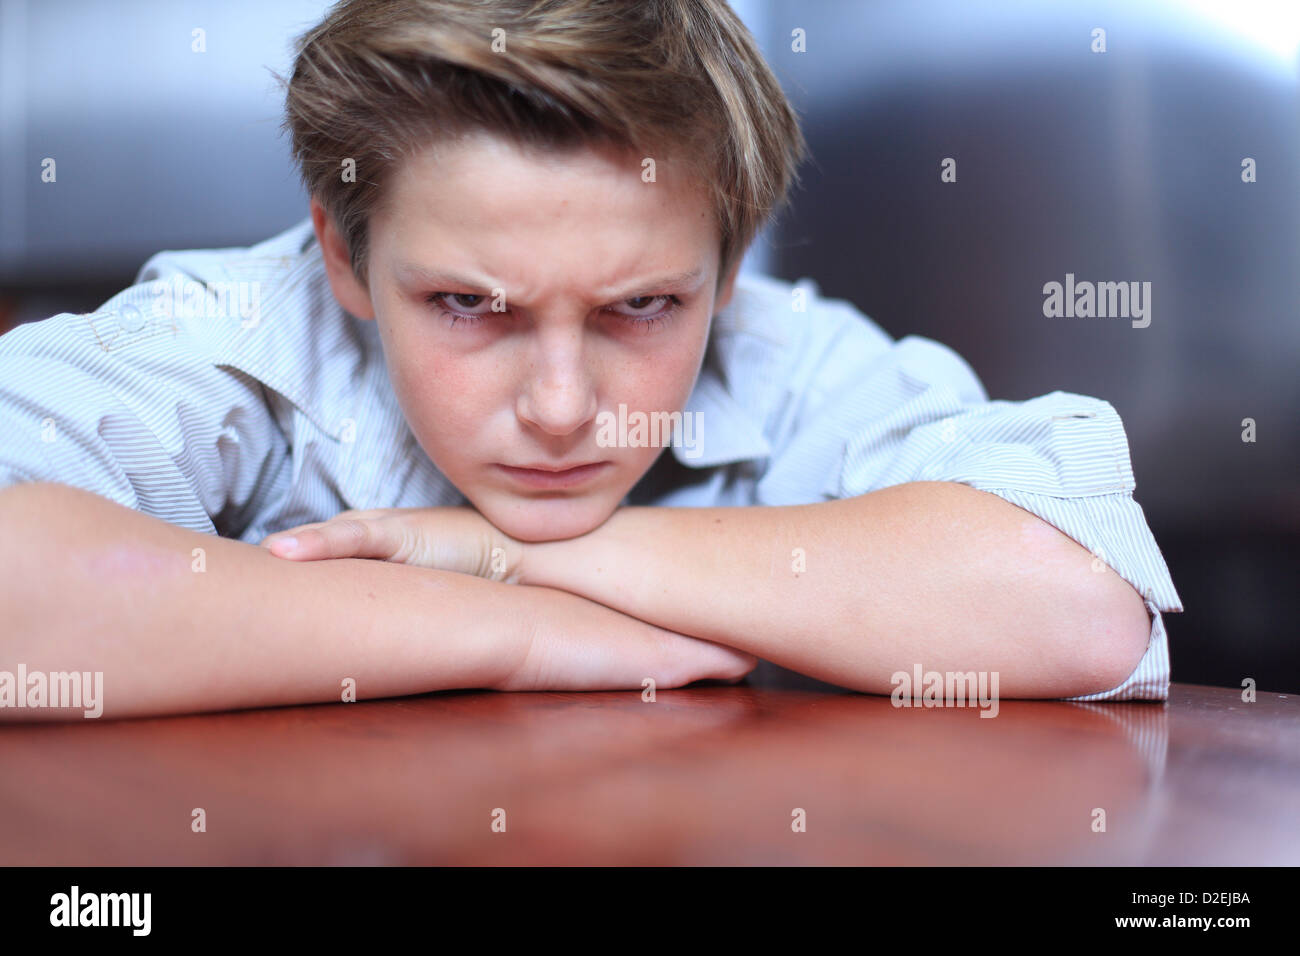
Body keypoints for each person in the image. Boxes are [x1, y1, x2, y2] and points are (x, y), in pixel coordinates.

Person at [0, 0, 1181, 721]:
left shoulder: (784, 353)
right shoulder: (235, 332)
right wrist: (509, 632)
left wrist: (505, 554)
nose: (562, 409)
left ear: (725, 271)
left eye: (642, 307)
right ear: (343, 257)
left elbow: (1082, 604)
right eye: (468, 304)